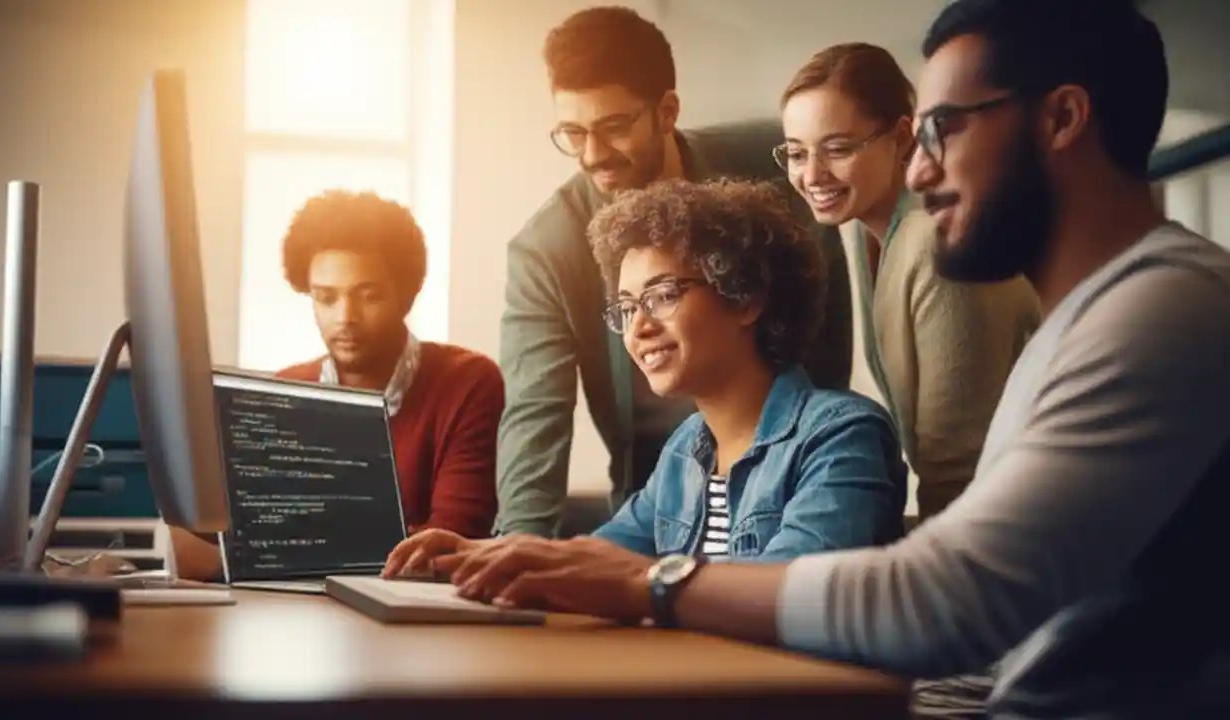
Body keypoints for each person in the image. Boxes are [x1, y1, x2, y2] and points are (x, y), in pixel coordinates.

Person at [389, 1, 1230, 716]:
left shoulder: (1165, 308)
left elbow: (950, 597)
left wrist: (648, 583)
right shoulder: (1083, 325)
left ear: (1062, 118)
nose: (920, 169)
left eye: (942, 129)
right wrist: (500, 556)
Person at [384, 178, 906, 580]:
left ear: (746, 296)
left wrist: (640, 582)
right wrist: (477, 552)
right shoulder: (687, 450)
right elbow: (604, 552)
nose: (639, 327)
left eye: (662, 296)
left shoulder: (842, 434)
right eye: (627, 307)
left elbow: (792, 591)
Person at [496, 6, 854, 539]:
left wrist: (817, 451)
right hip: (659, 508)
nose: (593, 156)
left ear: (666, 111)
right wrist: (512, 556)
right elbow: (533, 420)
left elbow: (823, 325)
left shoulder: (774, 167)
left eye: (614, 127)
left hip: (789, 485)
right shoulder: (546, 248)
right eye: (572, 133)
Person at [171, 190, 502, 580]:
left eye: (369, 296)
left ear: (406, 295)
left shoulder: (467, 381)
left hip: (415, 621)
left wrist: (256, 557)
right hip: (300, 614)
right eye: (326, 298)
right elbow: (254, 530)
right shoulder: (288, 389)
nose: (345, 318)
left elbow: (447, 542)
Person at [776, 43, 1041, 522]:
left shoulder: (938, 243)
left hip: (1024, 525)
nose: (811, 175)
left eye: (837, 149)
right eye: (796, 153)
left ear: (902, 137)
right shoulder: (866, 231)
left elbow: (958, 464)